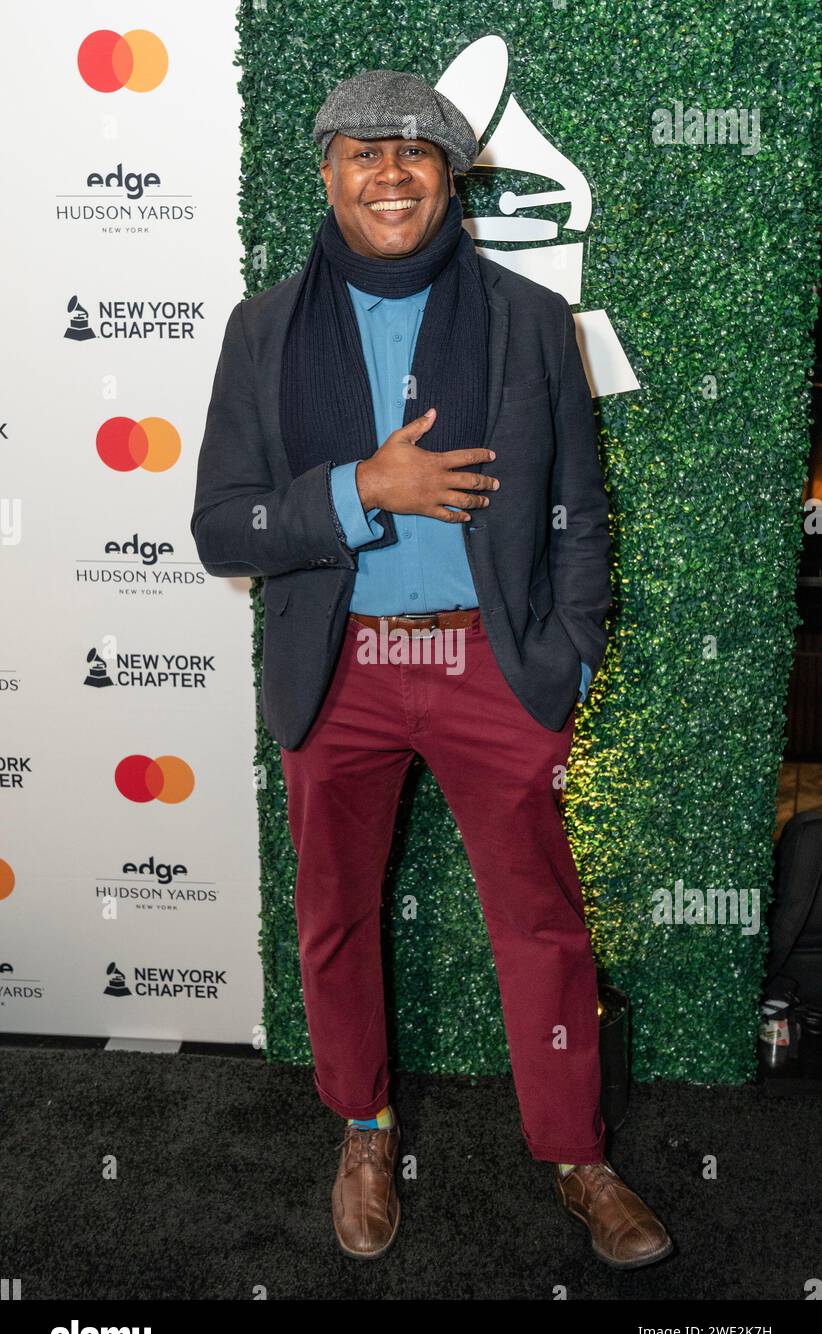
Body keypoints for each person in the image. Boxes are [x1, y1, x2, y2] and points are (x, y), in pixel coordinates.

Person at [191, 68, 673, 1270]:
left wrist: (563, 661)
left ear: (450, 177)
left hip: (489, 663)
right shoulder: (263, 330)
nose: (390, 172)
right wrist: (365, 488)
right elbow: (220, 526)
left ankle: (577, 1149)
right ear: (327, 175)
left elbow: (578, 509)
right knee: (336, 916)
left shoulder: (524, 317)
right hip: (338, 666)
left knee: (542, 923)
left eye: (415, 153)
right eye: (363, 151)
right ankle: (364, 1128)